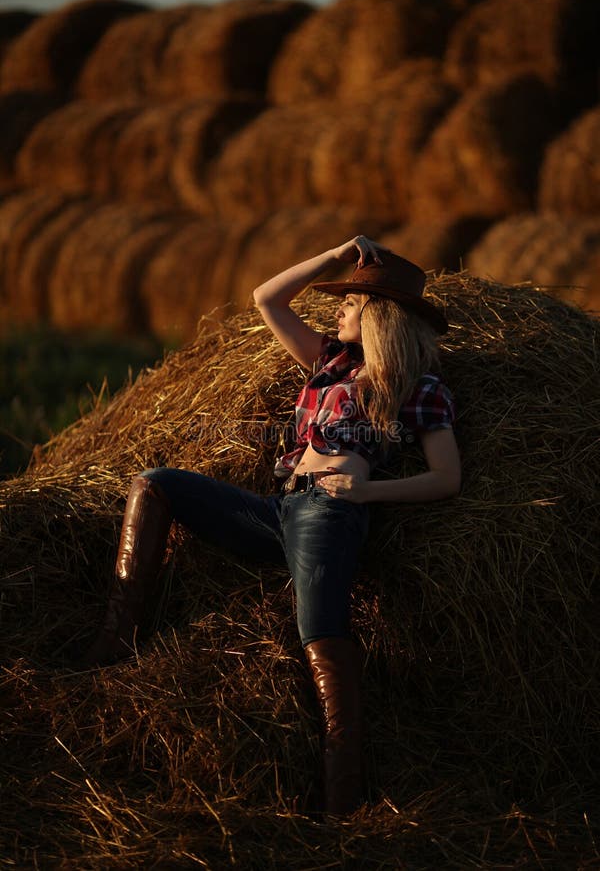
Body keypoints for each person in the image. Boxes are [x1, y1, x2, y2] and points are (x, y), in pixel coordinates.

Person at [81, 234, 461, 818]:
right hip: (277, 508)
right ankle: (115, 643)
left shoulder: (418, 388)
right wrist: (337, 257)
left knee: (321, 636)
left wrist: (365, 491)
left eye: (350, 303)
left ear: (380, 316)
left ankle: (342, 798)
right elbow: (267, 298)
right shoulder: (329, 362)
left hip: (329, 514)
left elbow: (446, 478)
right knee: (155, 482)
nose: (337, 309)